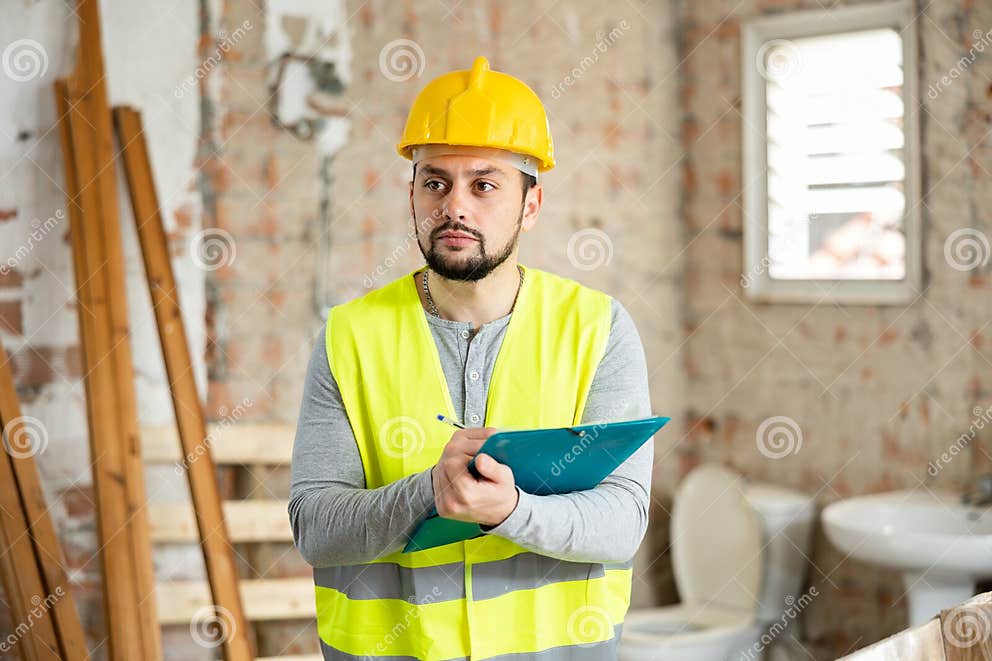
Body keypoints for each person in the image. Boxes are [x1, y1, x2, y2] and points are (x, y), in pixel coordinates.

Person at [289, 55, 653, 661]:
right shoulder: (348, 336)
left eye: (484, 184)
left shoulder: (598, 329)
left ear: (530, 205)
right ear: (412, 193)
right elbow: (318, 530)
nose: (454, 206)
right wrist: (429, 493)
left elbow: (622, 522)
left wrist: (510, 510)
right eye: (436, 182)